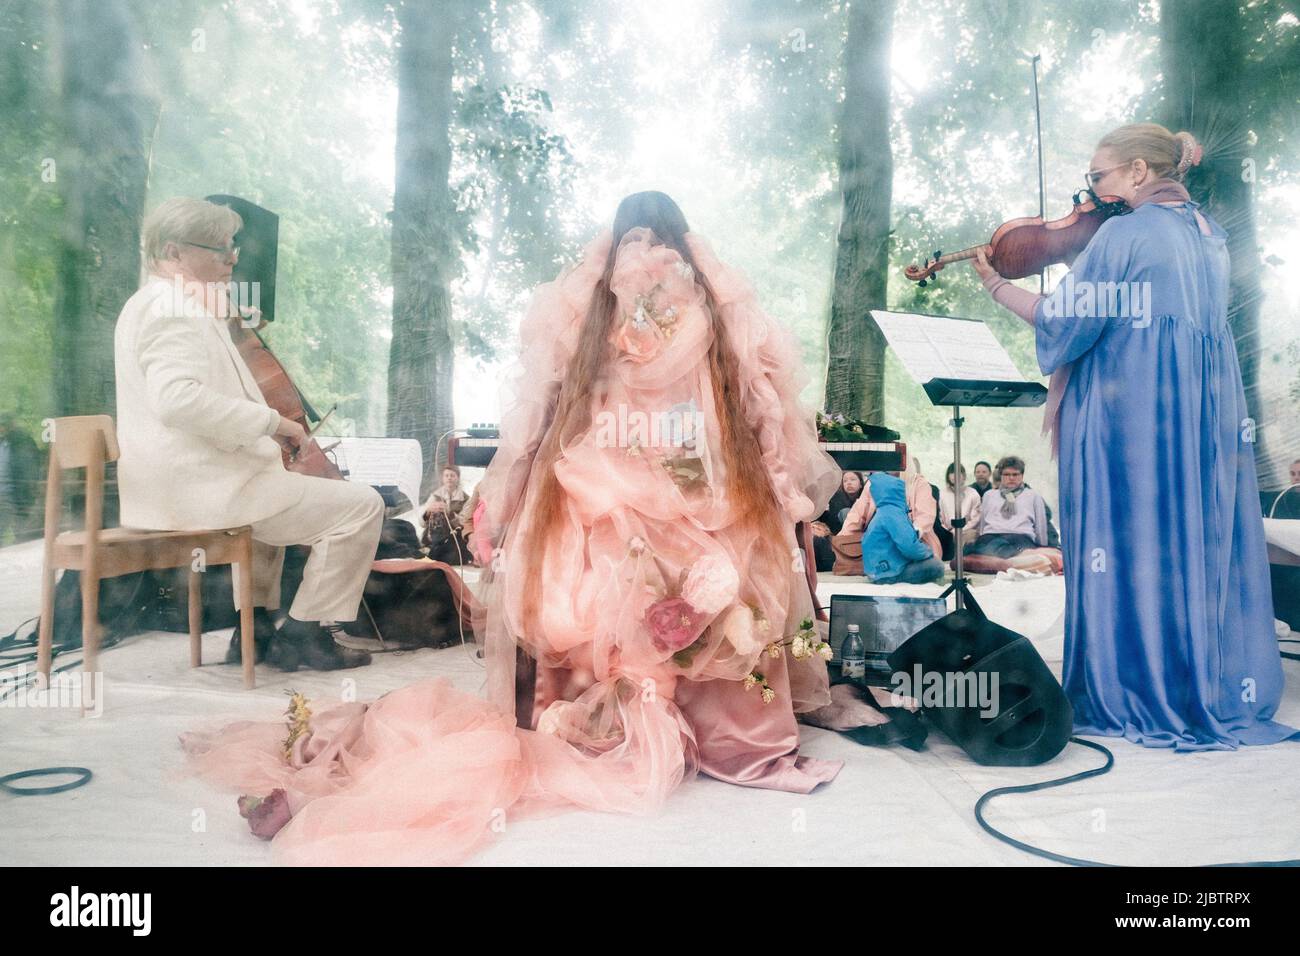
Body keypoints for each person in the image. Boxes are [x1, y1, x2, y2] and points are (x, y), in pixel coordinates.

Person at [181, 190, 846, 864]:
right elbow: (769, 423)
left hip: (598, 491)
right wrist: (784, 504)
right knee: (728, 567)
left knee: (594, 573)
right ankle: (682, 715)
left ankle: (583, 712)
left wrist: (503, 504)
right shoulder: (713, 309)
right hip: (695, 493)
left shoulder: (588, 313)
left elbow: (534, 425)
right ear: (687, 238)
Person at [973, 123, 1295, 750]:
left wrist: (995, 285)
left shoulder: (1124, 232)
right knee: (1188, 539)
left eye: (1098, 177)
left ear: (1140, 172)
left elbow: (1065, 320)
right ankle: (1205, 678)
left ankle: (1133, 685)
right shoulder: (1211, 236)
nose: (1090, 192)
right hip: (1198, 415)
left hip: (1130, 414)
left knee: (1128, 539)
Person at [116, 197, 383, 671]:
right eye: (218, 249)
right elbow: (177, 400)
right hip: (197, 489)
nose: (232, 258)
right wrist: (272, 424)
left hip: (183, 482)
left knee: (278, 497)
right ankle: (305, 634)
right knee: (362, 506)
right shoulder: (172, 307)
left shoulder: (161, 301)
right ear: (174, 252)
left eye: (232, 246)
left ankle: (254, 631)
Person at [857, 473, 945, 584]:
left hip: (876, 571)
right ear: (898, 492)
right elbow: (909, 546)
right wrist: (928, 553)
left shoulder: (882, 512)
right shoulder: (894, 513)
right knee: (936, 565)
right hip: (889, 573)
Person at [964, 455, 1048, 558]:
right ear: (1001, 476)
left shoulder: (1033, 496)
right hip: (991, 536)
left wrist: (1042, 547)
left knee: (1010, 551)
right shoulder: (989, 495)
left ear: (1022, 475)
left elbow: (1040, 527)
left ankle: (1000, 556)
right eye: (1007, 474)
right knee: (982, 549)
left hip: (1020, 537)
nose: (1011, 478)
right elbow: (982, 524)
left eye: (1015, 474)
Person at [811, 469, 862, 571]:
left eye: (853, 479)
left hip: (857, 535)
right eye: (845, 481)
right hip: (835, 535)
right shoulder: (835, 498)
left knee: (847, 512)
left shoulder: (866, 498)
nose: (849, 483)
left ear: (861, 484)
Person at [0, 414, 40, 544]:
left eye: (3, 425)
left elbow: (28, 470)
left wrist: (29, 493)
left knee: (20, 529)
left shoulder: (21, 442)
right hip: (6, 491)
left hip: (14, 493)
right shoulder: (5, 442)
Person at [938, 462, 982, 560]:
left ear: (964, 476)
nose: (955, 476)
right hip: (947, 531)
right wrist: (949, 530)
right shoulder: (941, 494)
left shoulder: (972, 493)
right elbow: (940, 517)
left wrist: (960, 530)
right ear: (948, 476)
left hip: (967, 531)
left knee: (968, 538)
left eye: (959, 472)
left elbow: (976, 519)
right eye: (952, 473)